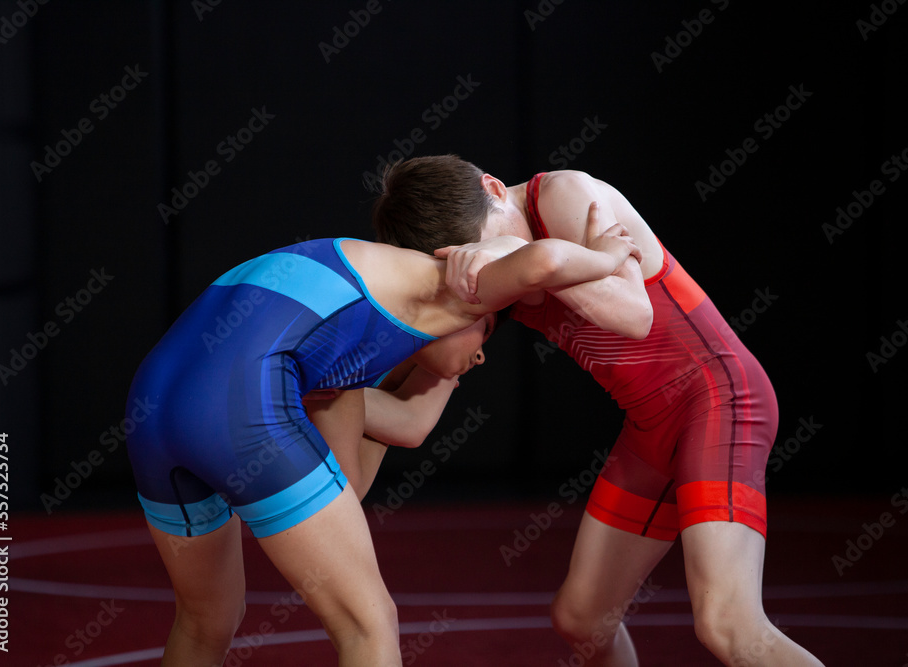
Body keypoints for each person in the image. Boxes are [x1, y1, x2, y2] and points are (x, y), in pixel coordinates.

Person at [371, 155, 824, 666]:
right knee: (582, 620)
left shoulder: (563, 195)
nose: (492, 267)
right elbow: (419, 401)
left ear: (495, 188)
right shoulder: (481, 259)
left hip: (718, 395)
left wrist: (516, 252)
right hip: (653, 425)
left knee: (728, 625)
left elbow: (635, 315)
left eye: (488, 245)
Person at [125, 218, 640, 666]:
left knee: (207, 620)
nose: (481, 356)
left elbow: (364, 467)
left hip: (152, 402)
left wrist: (420, 374)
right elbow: (544, 261)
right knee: (368, 622)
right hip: (240, 399)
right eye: (485, 335)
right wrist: (609, 255)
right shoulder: (462, 280)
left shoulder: (347, 343)